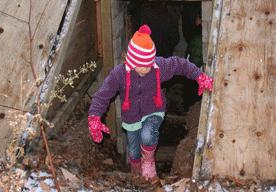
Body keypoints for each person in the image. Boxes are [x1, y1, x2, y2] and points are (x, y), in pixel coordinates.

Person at [87, 24, 214, 182]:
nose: (147, 68)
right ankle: (136, 171)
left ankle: (148, 162)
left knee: (147, 135)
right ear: (131, 62)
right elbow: (102, 95)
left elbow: (180, 64)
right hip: (131, 117)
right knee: (133, 152)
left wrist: (199, 76)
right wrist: (94, 117)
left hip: (154, 110)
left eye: (149, 64)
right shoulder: (119, 74)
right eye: (142, 65)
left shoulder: (157, 67)